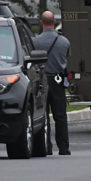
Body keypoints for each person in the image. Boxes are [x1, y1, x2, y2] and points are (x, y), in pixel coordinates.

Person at [33, 11, 72, 155]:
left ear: (41, 23)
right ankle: (63, 148)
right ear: (54, 22)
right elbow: (66, 58)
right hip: (57, 80)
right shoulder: (64, 41)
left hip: (41, 80)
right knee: (60, 115)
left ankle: (46, 147)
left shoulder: (35, 42)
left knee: (43, 115)